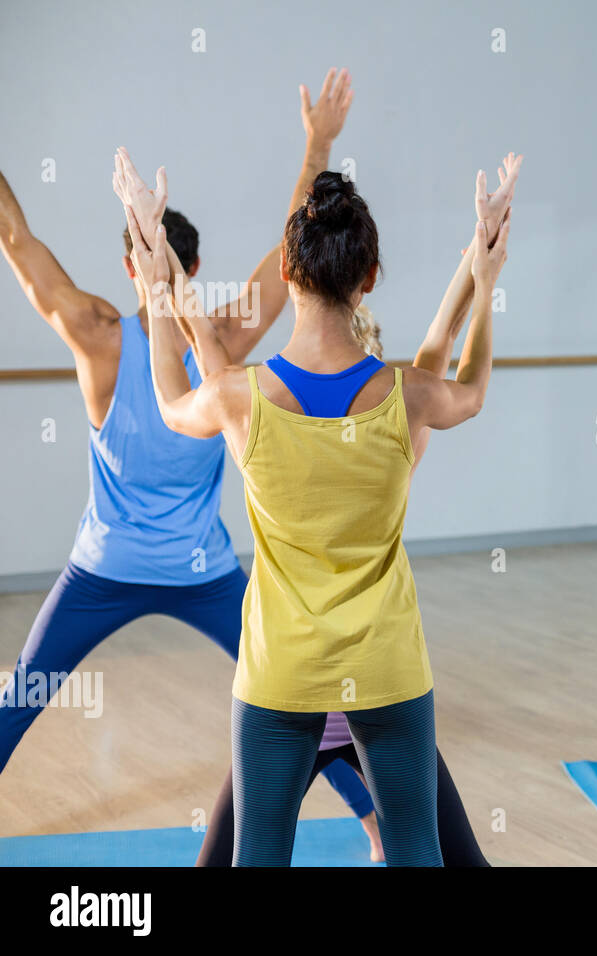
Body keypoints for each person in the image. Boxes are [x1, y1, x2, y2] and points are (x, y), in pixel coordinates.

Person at [0, 68, 391, 853]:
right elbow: (291, 268)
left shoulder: (97, 332)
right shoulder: (224, 341)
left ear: (131, 264)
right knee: (305, 693)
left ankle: (378, 822)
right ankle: (381, 829)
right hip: (193, 569)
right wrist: (315, 144)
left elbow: (16, 239)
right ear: (195, 267)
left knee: (22, 696)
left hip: (116, 568)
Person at [116, 144, 511, 864]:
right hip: (388, 666)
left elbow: (179, 390)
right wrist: (481, 278)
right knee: (417, 849)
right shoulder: (407, 398)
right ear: (367, 282)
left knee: (257, 856)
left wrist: (158, 275)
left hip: (280, 672)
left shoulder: (239, 399)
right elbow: (461, 374)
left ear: (289, 273)